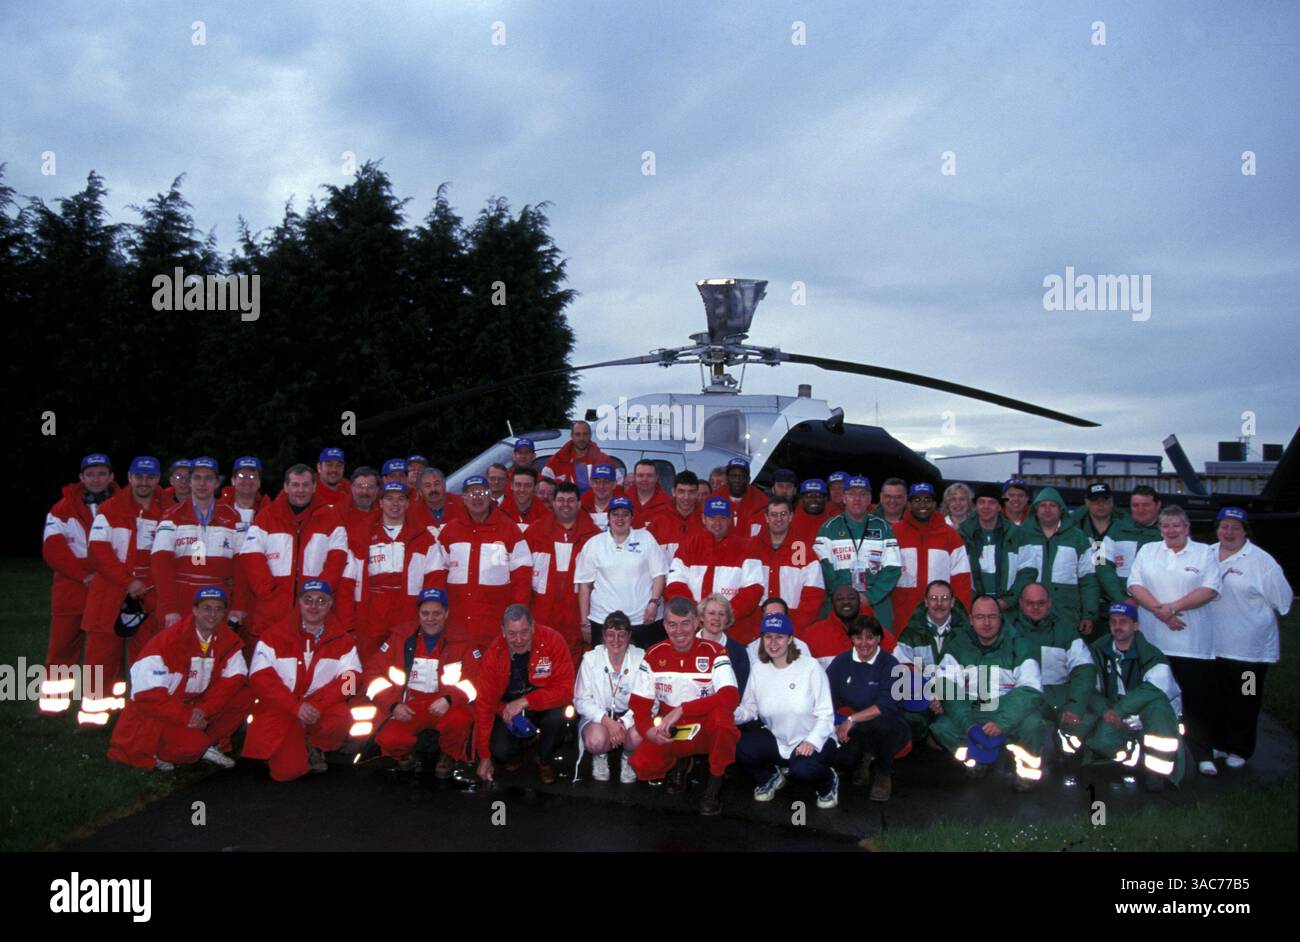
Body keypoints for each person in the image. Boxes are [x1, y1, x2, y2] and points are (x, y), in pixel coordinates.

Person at [107, 587, 253, 771]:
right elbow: (147, 696)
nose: (212, 614)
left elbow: (235, 678)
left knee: (244, 695)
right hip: (163, 711)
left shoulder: (226, 639)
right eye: (206, 608)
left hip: (196, 705)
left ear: (224, 612)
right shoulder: (168, 642)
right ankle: (159, 752)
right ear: (195, 610)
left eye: (218, 609)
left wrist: (203, 709)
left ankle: (210, 744)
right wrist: (187, 716)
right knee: (191, 747)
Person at [1127, 505, 1222, 775]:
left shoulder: (1204, 553)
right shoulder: (1148, 551)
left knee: (1196, 703)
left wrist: (1172, 607)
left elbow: (1211, 589)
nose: (1171, 530)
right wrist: (1160, 612)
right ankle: (1144, 753)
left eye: (1176, 525)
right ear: (1160, 529)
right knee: (1150, 700)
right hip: (1152, 643)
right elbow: (1135, 586)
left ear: (1187, 527)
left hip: (1193, 645)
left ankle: (1202, 754)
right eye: (1165, 526)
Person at [627, 596, 740, 816]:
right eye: (672, 624)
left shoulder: (715, 651)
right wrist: (649, 732)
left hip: (705, 725)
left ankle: (714, 784)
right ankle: (680, 762)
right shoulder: (652, 654)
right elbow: (639, 705)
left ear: (697, 622)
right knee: (642, 765)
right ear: (664, 626)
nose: (679, 631)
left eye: (685, 623)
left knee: (723, 722)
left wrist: (683, 709)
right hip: (672, 729)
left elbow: (730, 696)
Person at [243, 581, 362, 781]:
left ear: (330, 604)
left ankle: (314, 744)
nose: (314, 606)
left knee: (342, 718)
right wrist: (295, 707)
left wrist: (317, 704)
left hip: (319, 707)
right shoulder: (273, 635)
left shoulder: (342, 640)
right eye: (308, 600)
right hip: (281, 708)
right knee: (287, 773)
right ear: (299, 602)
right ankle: (292, 746)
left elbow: (351, 680)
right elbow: (259, 677)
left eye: (321, 601)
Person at [930, 596, 1046, 791]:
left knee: (1033, 724)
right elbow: (947, 686)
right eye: (980, 617)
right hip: (972, 710)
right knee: (942, 728)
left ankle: (1026, 772)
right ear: (971, 619)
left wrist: (1001, 723)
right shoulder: (958, 646)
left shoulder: (1020, 645)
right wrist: (968, 725)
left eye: (992, 616)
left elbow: (1030, 689)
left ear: (1001, 618)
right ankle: (976, 760)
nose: (986, 623)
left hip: (1008, 709)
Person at [83, 456, 167, 723]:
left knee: (146, 657)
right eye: (139, 477)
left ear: (157, 479)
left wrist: (149, 584)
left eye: (150, 477)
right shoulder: (110, 509)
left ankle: (138, 711)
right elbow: (98, 552)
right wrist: (127, 582)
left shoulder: (168, 511)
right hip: (110, 593)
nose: (144, 483)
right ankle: (93, 716)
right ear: (129, 478)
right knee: (100, 658)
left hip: (149, 595)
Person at [1209, 507, 1293, 768]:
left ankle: (1240, 749)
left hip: (1250, 652)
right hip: (1214, 647)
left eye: (1236, 527)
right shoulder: (1207, 554)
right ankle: (1220, 743)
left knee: (1245, 699)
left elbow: (1284, 601)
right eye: (1225, 526)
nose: (1229, 532)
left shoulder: (1261, 561)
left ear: (1245, 531)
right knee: (1218, 698)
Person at [363, 588, 476, 778]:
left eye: (437, 613)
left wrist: (449, 699)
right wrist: (392, 705)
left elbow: (476, 681)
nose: (431, 619)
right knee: (389, 738)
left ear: (446, 613)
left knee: (460, 720)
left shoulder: (462, 640)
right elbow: (371, 674)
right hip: (410, 705)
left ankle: (449, 753)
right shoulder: (400, 637)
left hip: (445, 704)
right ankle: (405, 754)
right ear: (418, 614)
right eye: (425, 613)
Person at [40, 454, 119, 717]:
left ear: (111, 477)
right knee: (62, 646)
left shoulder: (124, 506)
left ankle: (109, 701)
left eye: (101, 473)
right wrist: (83, 574)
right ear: (81, 478)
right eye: (91, 474)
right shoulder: (61, 509)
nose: (96, 479)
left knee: (108, 647)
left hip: (109, 587)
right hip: (71, 588)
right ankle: (54, 703)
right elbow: (53, 548)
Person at [734, 613, 838, 808]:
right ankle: (770, 776)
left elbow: (826, 714)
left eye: (779, 637)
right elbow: (749, 708)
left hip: (814, 739)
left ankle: (827, 782)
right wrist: (731, 715)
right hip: (779, 740)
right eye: (768, 637)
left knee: (802, 771)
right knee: (741, 747)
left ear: (790, 639)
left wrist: (811, 741)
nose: (773, 643)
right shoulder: (758, 669)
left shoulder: (811, 667)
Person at [1080, 603, 1185, 791]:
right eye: (1113, 622)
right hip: (1114, 708)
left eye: (1124, 622)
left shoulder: (1152, 654)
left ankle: (1158, 772)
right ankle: (1133, 753)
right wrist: (1106, 710)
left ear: (1135, 626)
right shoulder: (1097, 650)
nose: (1117, 626)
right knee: (1101, 741)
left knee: (1158, 710)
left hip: (1146, 710)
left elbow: (1155, 689)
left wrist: (1118, 710)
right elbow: (1087, 687)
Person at [238, 464, 349, 639]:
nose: (300, 490)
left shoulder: (331, 517)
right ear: (286, 487)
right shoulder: (267, 516)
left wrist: (319, 594)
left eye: (305, 485)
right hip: (272, 610)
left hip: (314, 610)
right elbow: (250, 555)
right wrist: (269, 591)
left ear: (314, 487)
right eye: (295, 485)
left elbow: (338, 558)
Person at [423, 475, 531, 650]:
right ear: (463, 499)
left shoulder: (510, 529)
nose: (477, 498)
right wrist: (436, 609)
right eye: (471, 494)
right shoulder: (450, 531)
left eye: (481, 492)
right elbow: (436, 573)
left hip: (495, 623)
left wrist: (517, 613)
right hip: (457, 622)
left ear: (490, 496)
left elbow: (522, 575)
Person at [474, 605, 576, 785]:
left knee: (560, 717)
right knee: (499, 750)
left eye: (524, 632)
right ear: (503, 631)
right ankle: (517, 753)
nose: (519, 640)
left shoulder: (553, 640)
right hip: (509, 710)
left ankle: (544, 760)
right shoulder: (493, 655)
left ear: (533, 626)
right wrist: (484, 757)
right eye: (512, 634)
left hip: (545, 704)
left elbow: (566, 689)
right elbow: (484, 705)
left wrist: (525, 701)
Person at [151, 457, 245, 635]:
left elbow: (241, 566)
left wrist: (239, 606)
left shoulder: (232, 517)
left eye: (208, 478)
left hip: (218, 599)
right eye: (197, 478)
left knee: (215, 656)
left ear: (217, 482)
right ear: (190, 481)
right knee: (178, 656)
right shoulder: (171, 516)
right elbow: (161, 566)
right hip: (182, 598)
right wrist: (169, 608)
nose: (202, 483)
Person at [827, 614, 911, 800]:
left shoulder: (890, 664)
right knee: (843, 760)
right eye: (858, 637)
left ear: (879, 638)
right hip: (855, 725)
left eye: (870, 637)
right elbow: (826, 697)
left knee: (881, 726)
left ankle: (883, 774)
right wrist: (834, 724)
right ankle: (864, 758)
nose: (864, 643)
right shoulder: (841, 662)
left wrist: (851, 720)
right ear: (852, 639)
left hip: (889, 726)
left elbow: (887, 705)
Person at [1004, 584, 1094, 756]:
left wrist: (1075, 706)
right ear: (1021, 604)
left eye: (1041, 603)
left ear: (1050, 603)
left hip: (1059, 701)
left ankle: (1072, 768)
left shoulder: (1066, 629)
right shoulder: (1007, 629)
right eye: (1030, 603)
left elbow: (1085, 670)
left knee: (1088, 721)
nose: (1035, 608)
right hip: (1020, 702)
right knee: (1030, 728)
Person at [355, 482, 437, 661]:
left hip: (408, 612)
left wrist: (427, 610)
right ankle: (358, 691)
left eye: (401, 499)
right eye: (389, 499)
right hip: (372, 615)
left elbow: (435, 578)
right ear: (381, 503)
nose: (395, 504)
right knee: (370, 666)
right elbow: (350, 580)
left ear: (408, 504)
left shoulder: (423, 537)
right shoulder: (364, 535)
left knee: (405, 665)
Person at [665, 496, 765, 643]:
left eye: (722, 518)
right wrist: (696, 613)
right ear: (703, 519)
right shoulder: (688, 546)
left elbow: (754, 589)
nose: (717, 523)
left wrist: (723, 615)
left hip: (734, 632)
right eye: (712, 517)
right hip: (694, 631)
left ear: (730, 519)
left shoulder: (747, 549)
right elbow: (674, 585)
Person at [575, 496, 668, 650]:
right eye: (615, 514)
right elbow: (585, 587)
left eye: (625, 514)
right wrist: (585, 622)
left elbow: (659, 575)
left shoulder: (646, 539)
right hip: (603, 622)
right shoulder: (594, 544)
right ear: (608, 517)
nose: (620, 518)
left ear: (632, 518)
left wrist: (653, 603)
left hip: (642, 621)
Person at [526, 481, 602, 661]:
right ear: (553, 503)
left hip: (577, 615)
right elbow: (523, 577)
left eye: (570, 500)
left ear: (579, 504)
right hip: (542, 613)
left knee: (575, 664)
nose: (565, 505)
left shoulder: (594, 536)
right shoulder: (535, 532)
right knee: (542, 661)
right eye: (560, 500)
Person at [1007, 487, 1098, 636]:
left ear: (1061, 509)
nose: (1047, 510)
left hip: (1066, 614)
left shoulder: (1078, 538)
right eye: (1043, 505)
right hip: (1026, 613)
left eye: (1052, 505)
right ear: (1035, 509)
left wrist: (1089, 614)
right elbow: (1009, 576)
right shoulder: (1020, 535)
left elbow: (1089, 579)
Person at [813, 475, 901, 629]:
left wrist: (870, 597)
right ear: (844, 498)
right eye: (852, 494)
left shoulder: (884, 528)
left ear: (869, 499)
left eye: (862, 494)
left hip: (875, 602)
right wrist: (847, 596)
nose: (857, 499)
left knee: (881, 648)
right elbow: (822, 567)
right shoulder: (828, 528)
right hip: (840, 602)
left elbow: (893, 569)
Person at [889, 482, 972, 635]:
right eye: (917, 500)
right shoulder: (895, 532)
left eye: (927, 500)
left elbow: (962, 580)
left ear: (935, 504)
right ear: (909, 504)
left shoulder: (950, 535)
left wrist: (961, 615)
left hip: (940, 613)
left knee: (936, 656)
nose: (923, 504)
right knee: (909, 657)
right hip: (903, 616)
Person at [572, 611, 645, 783]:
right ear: (603, 636)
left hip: (630, 715)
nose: (616, 640)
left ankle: (628, 757)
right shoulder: (590, 659)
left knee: (638, 736)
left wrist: (623, 723)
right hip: (599, 717)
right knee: (596, 741)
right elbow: (580, 700)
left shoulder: (642, 658)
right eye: (610, 635)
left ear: (629, 636)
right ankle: (600, 756)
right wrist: (606, 721)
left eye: (621, 635)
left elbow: (649, 702)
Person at [893, 580, 969, 743]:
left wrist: (944, 696)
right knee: (909, 718)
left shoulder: (967, 633)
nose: (939, 603)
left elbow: (971, 670)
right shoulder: (910, 633)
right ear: (926, 602)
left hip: (957, 695)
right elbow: (903, 671)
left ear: (953, 602)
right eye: (934, 598)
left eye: (945, 598)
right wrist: (930, 695)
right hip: (924, 697)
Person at [747, 496, 826, 639]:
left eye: (783, 514)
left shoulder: (803, 550)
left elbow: (814, 595)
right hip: (755, 631)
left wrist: (793, 627)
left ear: (791, 517)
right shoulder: (751, 548)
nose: (779, 519)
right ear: (766, 517)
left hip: (792, 630)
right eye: (774, 514)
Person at [959, 483, 1016, 611]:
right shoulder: (963, 535)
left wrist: (1009, 600)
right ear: (976, 506)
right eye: (981, 502)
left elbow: (1026, 570)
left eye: (991, 502)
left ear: (999, 507)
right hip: (972, 607)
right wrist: (973, 601)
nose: (986, 507)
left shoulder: (1015, 535)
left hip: (1008, 608)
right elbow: (957, 573)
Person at [698, 593, 754, 695]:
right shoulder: (687, 645)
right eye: (711, 613)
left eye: (722, 614)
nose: (717, 618)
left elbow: (738, 691)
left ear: (727, 619)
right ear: (702, 617)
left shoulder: (739, 652)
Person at [542, 420, 620, 493]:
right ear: (572, 436)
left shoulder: (604, 460)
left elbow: (618, 484)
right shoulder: (556, 461)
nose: (581, 438)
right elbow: (545, 491)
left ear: (590, 436)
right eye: (577, 434)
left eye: (585, 434)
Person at [801, 584, 867, 668]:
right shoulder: (811, 635)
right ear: (832, 604)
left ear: (860, 602)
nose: (846, 602)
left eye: (851, 598)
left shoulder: (876, 632)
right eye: (840, 599)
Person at [646, 469, 706, 560]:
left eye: (691, 492)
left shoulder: (706, 520)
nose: (686, 497)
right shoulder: (659, 520)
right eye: (681, 491)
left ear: (697, 493)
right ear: (673, 492)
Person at [407, 466, 463, 540]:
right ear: (420, 491)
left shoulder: (462, 504)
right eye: (428, 486)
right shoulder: (411, 514)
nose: (433, 489)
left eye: (437, 484)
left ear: (444, 485)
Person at [720, 457, 767, 537]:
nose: (737, 480)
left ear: (748, 479)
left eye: (742, 476)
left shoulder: (762, 501)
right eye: (733, 476)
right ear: (727, 478)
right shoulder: (714, 498)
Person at [501, 465, 550, 530]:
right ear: (511, 486)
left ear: (535, 488)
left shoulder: (546, 517)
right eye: (518, 485)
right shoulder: (500, 513)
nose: (522, 490)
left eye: (527, 485)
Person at [627, 459, 671, 526]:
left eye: (649, 475)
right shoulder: (622, 501)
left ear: (656, 478)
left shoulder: (668, 506)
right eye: (640, 475)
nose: (645, 479)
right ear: (634, 477)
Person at [579, 463, 622, 530]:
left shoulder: (623, 508)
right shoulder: (580, 506)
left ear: (614, 484)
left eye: (606, 482)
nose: (601, 486)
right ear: (591, 483)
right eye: (597, 482)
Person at [791, 478, 831, 546]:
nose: (813, 499)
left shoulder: (833, 524)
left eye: (818, 496)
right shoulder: (789, 523)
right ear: (801, 499)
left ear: (825, 499)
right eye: (808, 496)